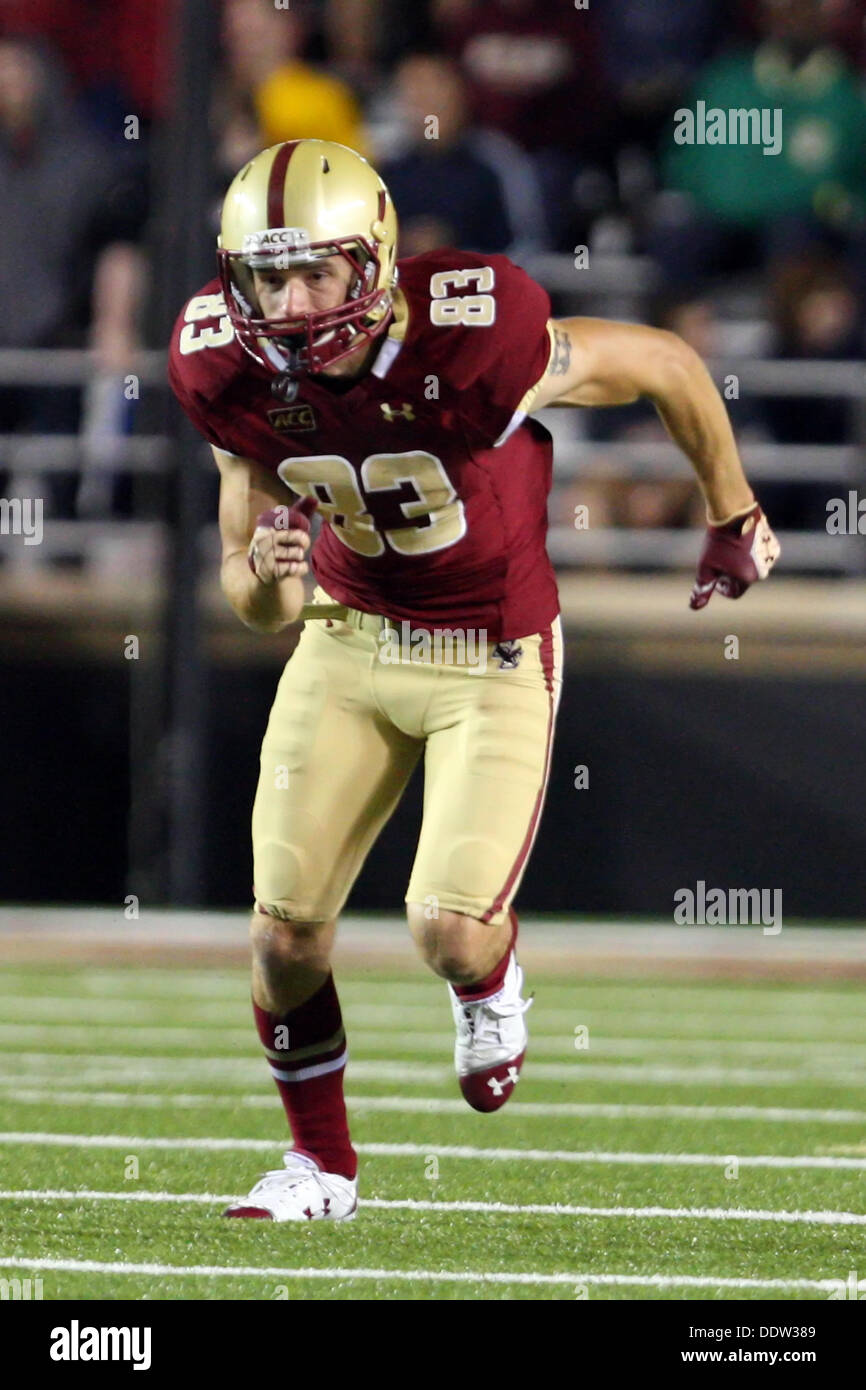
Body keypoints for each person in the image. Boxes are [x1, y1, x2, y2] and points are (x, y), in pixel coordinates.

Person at [168, 138, 780, 1222]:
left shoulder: (471, 330)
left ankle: (487, 983)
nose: (293, 300)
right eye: (269, 274)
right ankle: (320, 1167)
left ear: (376, 261)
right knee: (280, 934)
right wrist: (262, 573)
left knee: (446, 927)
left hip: (488, 650)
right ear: (234, 277)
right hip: (346, 639)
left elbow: (669, 365)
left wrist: (730, 513)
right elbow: (250, 598)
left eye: (318, 270)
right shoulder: (223, 366)